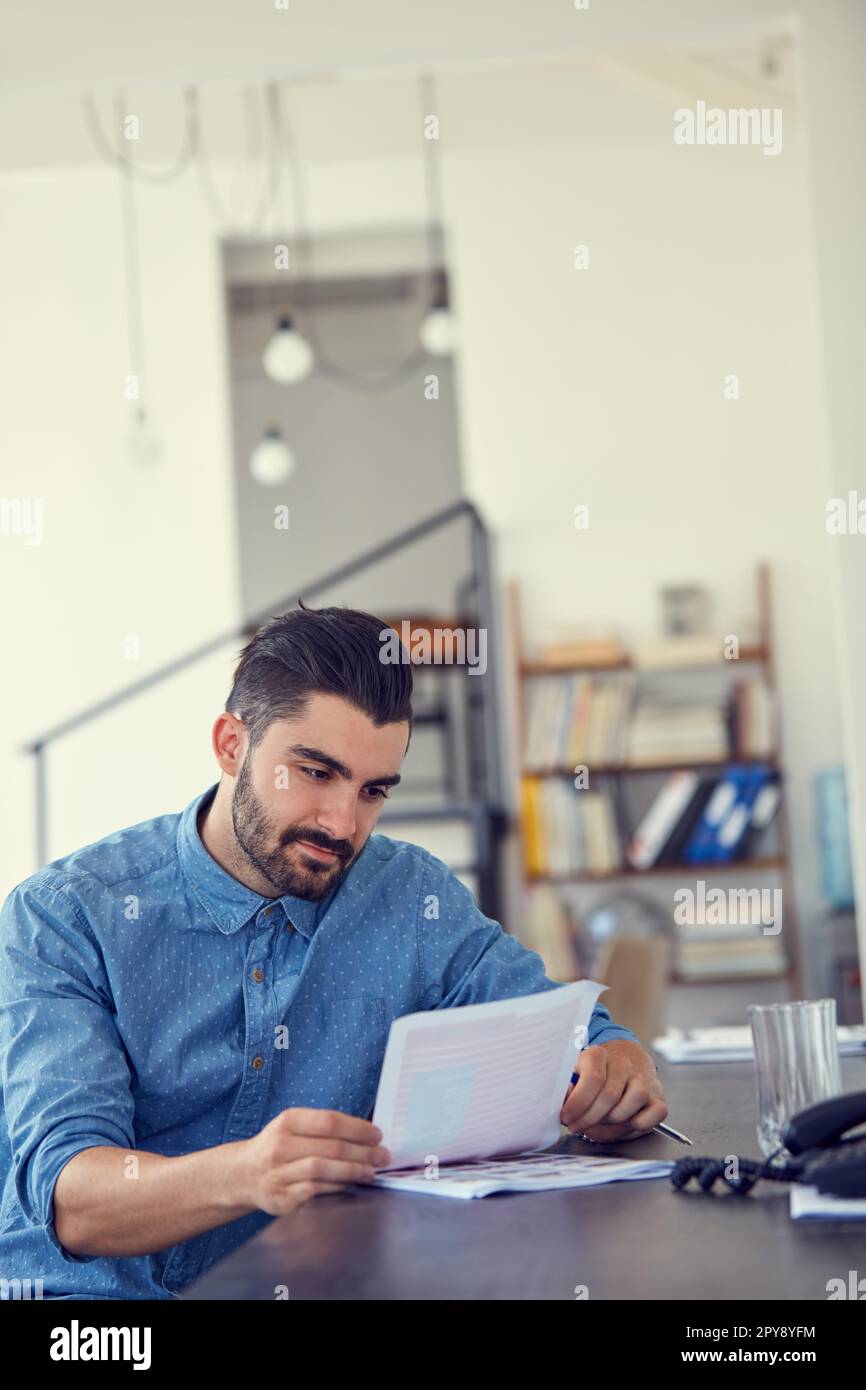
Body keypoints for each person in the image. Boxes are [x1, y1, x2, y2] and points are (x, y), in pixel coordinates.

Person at [0, 603, 668, 1299]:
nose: (343, 824)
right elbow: (74, 1202)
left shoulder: (411, 895)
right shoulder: (65, 914)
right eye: (315, 773)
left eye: (372, 790)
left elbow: (560, 1026)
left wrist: (616, 1057)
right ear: (231, 745)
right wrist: (248, 1173)